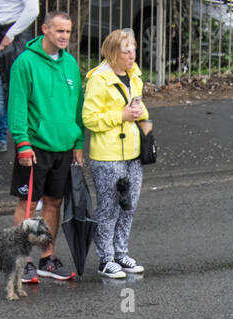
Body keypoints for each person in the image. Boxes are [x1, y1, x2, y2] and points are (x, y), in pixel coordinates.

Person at [5, 9, 86, 284]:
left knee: (54, 202)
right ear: (45, 29)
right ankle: (22, 259)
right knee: (27, 204)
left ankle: (46, 259)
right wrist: (22, 142)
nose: (64, 36)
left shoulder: (71, 64)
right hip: (35, 146)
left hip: (63, 146)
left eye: (68, 31)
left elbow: (78, 107)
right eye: (59, 30)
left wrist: (78, 141)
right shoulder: (25, 63)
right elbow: (16, 106)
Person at [82, 28, 151, 280]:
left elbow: (139, 108)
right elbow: (89, 118)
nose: (132, 54)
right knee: (109, 208)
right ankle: (106, 258)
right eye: (126, 50)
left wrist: (140, 114)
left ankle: (121, 252)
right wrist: (120, 116)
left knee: (129, 204)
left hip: (132, 152)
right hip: (108, 155)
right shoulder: (98, 79)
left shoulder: (135, 76)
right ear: (113, 52)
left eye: (133, 49)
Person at [0, 0, 39, 155]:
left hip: (11, 37)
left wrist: (11, 34)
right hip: (2, 35)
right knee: (3, 92)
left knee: (5, 92)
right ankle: (9, 136)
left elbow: (33, 10)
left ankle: (0, 138)